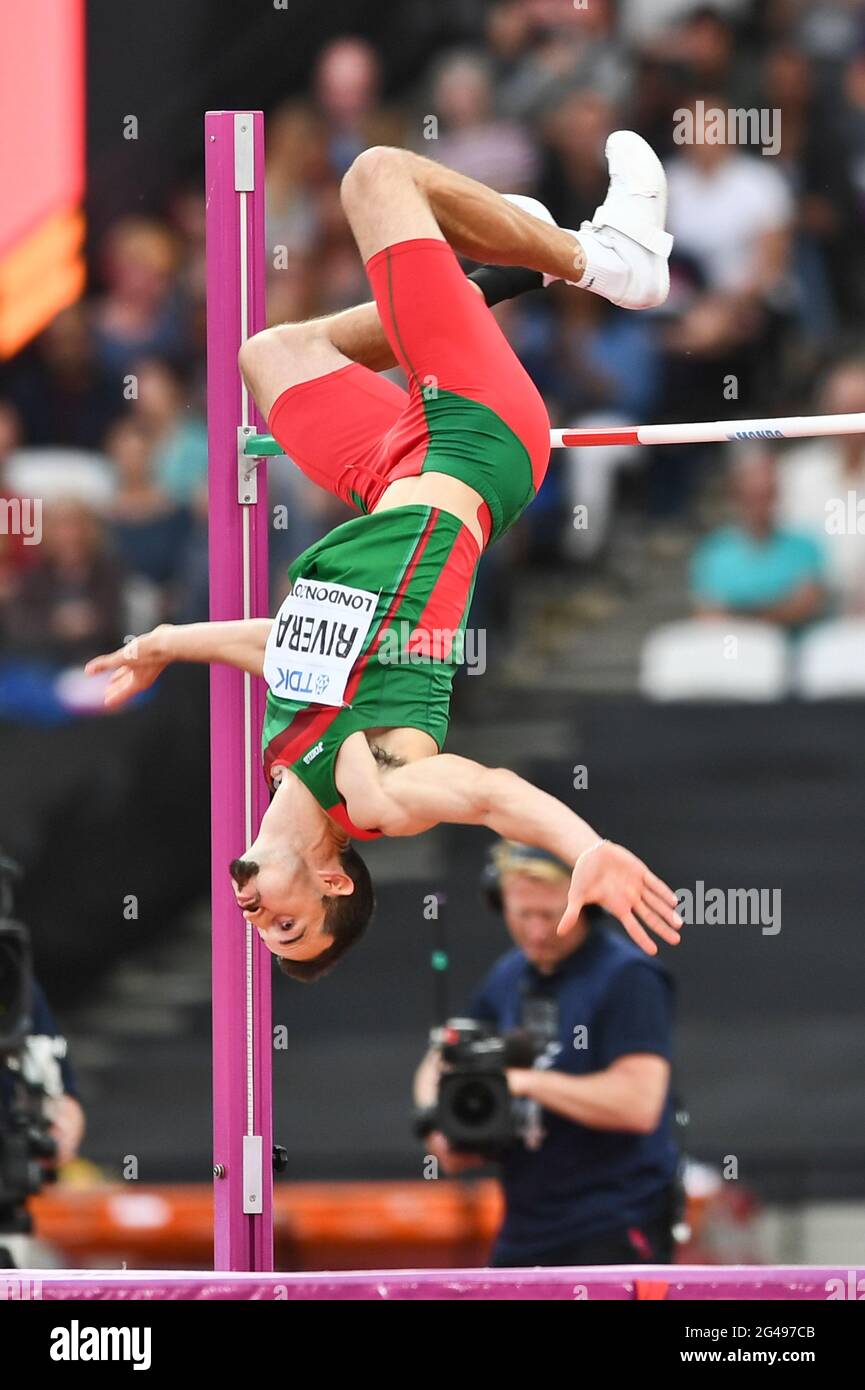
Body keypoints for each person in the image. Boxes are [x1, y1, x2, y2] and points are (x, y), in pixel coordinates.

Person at [86, 134, 683, 980]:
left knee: (272, 355)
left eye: (265, 937)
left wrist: (165, 642)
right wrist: (582, 844)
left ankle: (499, 276)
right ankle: (605, 258)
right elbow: (488, 795)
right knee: (376, 174)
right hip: (475, 445)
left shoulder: (284, 754)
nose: (259, 922)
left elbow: (287, 644)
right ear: (331, 879)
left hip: (394, 472)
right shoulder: (380, 799)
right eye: (289, 929)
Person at [414, 841, 679, 1267]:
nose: (536, 932)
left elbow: (639, 1104)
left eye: (551, 916)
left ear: (586, 907)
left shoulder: (629, 977)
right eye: (523, 915)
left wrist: (521, 1083)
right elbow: (442, 1054)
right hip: (525, 1225)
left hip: (614, 1225)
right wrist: (438, 1121)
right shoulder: (508, 974)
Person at [691, 444, 827, 630]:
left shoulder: (805, 546)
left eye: (767, 496)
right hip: (736, 652)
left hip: (795, 652)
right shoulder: (715, 549)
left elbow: (804, 606)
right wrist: (775, 608)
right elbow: (709, 614)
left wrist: (742, 611)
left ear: (778, 495)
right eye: (753, 497)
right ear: (736, 497)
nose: (761, 506)